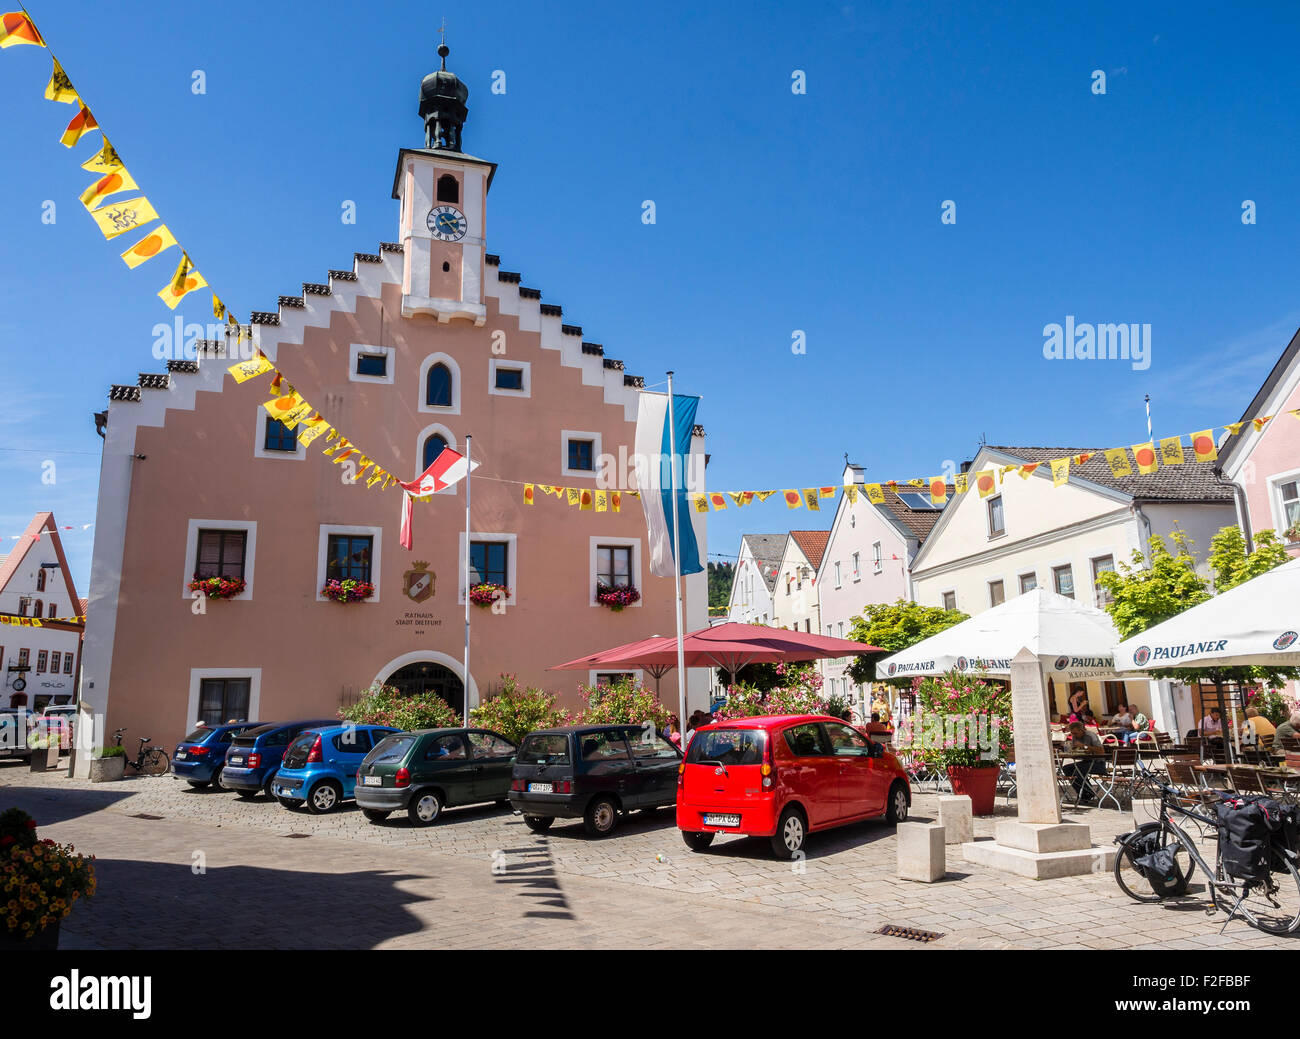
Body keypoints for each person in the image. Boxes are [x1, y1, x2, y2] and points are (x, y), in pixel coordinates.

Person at [1064, 721, 1103, 803]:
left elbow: (1101, 751)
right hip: (1086, 761)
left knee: (1078, 770)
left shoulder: (1091, 736)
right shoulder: (1075, 737)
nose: (1074, 735)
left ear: (1082, 730)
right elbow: (1078, 750)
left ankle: (1088, 793)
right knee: (1067, 768)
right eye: (1072, 733)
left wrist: (1083, 746)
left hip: (1098, 763)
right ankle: (1082, 792)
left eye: (1075, 733)